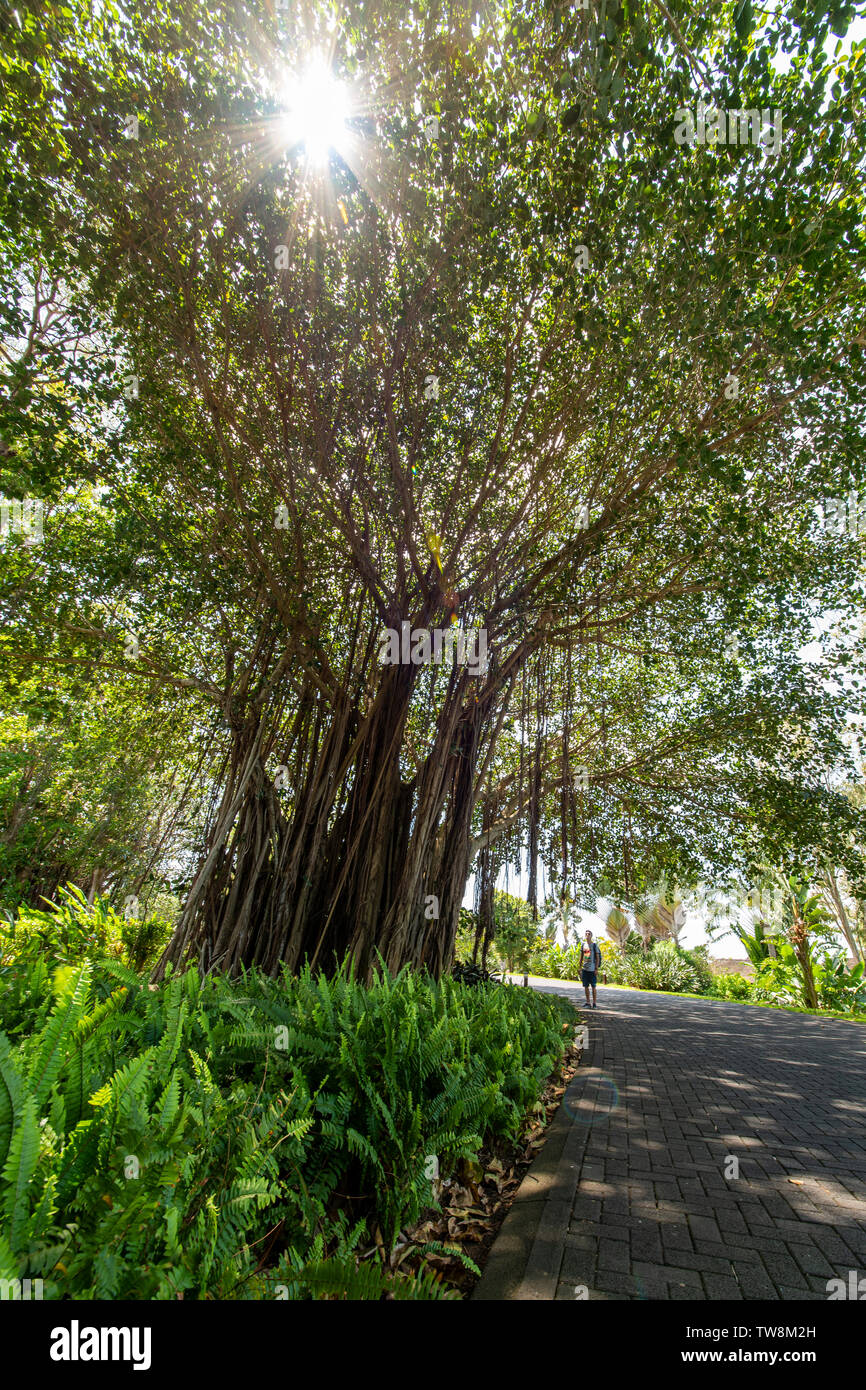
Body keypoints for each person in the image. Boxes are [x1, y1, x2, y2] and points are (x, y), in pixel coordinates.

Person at [580, 929, 602, 1009]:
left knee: (593, 986)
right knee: (585, 986)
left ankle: (594, 1003)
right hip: (585, 968)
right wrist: (580, 966)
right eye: (586, 934)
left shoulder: (594, 945)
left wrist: (596, 968)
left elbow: (597, 957)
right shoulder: (583, 945)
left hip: (592, 969)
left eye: (589, 934)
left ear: (591, 936)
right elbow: (582, 956)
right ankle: (588, 1002)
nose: (587, 935)